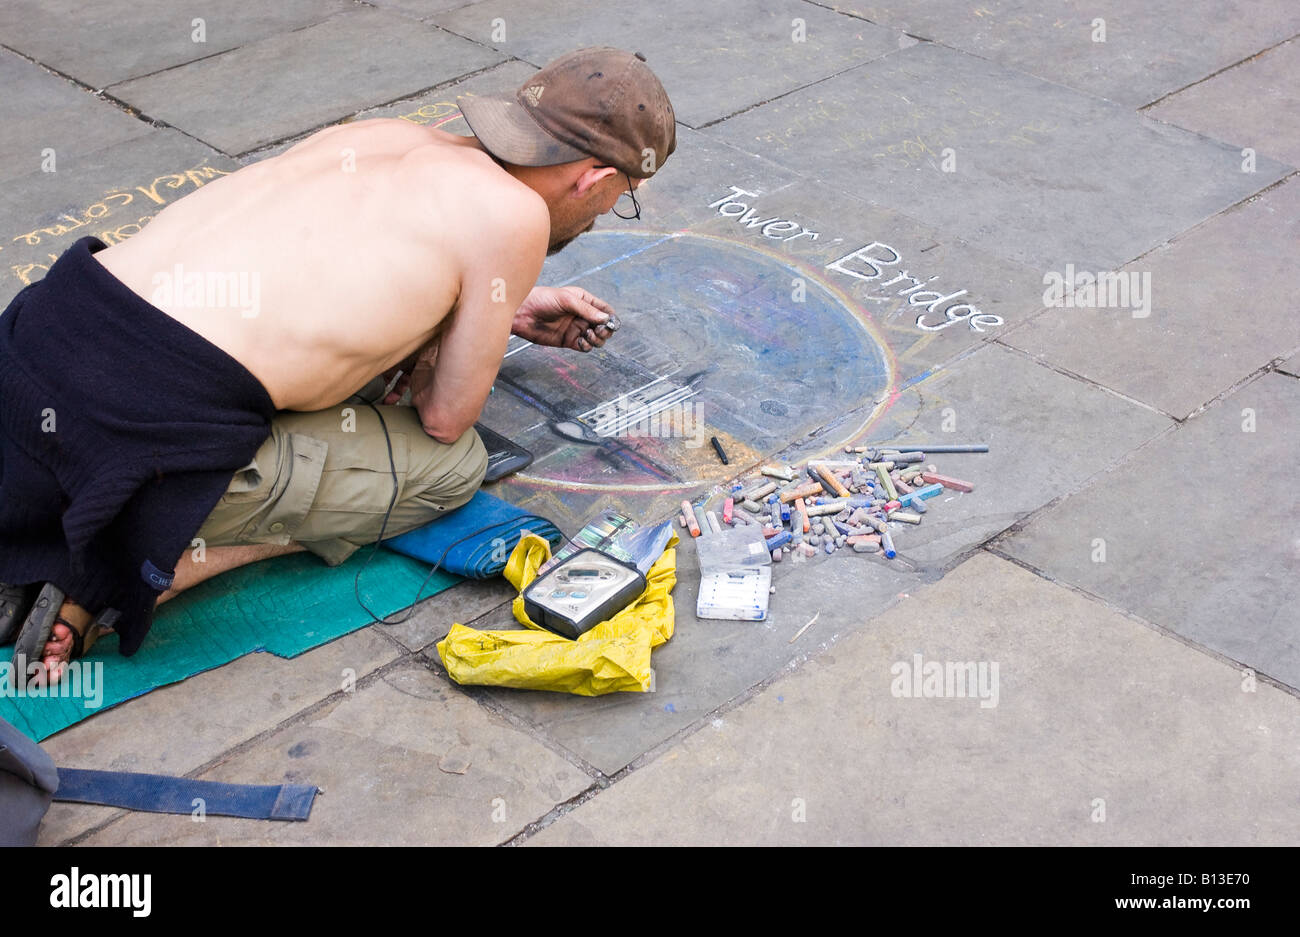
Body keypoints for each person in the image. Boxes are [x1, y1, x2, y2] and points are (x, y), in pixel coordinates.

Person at [0, 47, 676, 684]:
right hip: (122, 435)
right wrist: (486, 310)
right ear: (597, 179)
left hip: (35, 342)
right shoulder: (517, 213)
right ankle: (137, 570)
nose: (604, 211)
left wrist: (503, 304)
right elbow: (443, 419)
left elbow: (316, 269)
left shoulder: (388, 135)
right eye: (621, 198)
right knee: (452, 467)